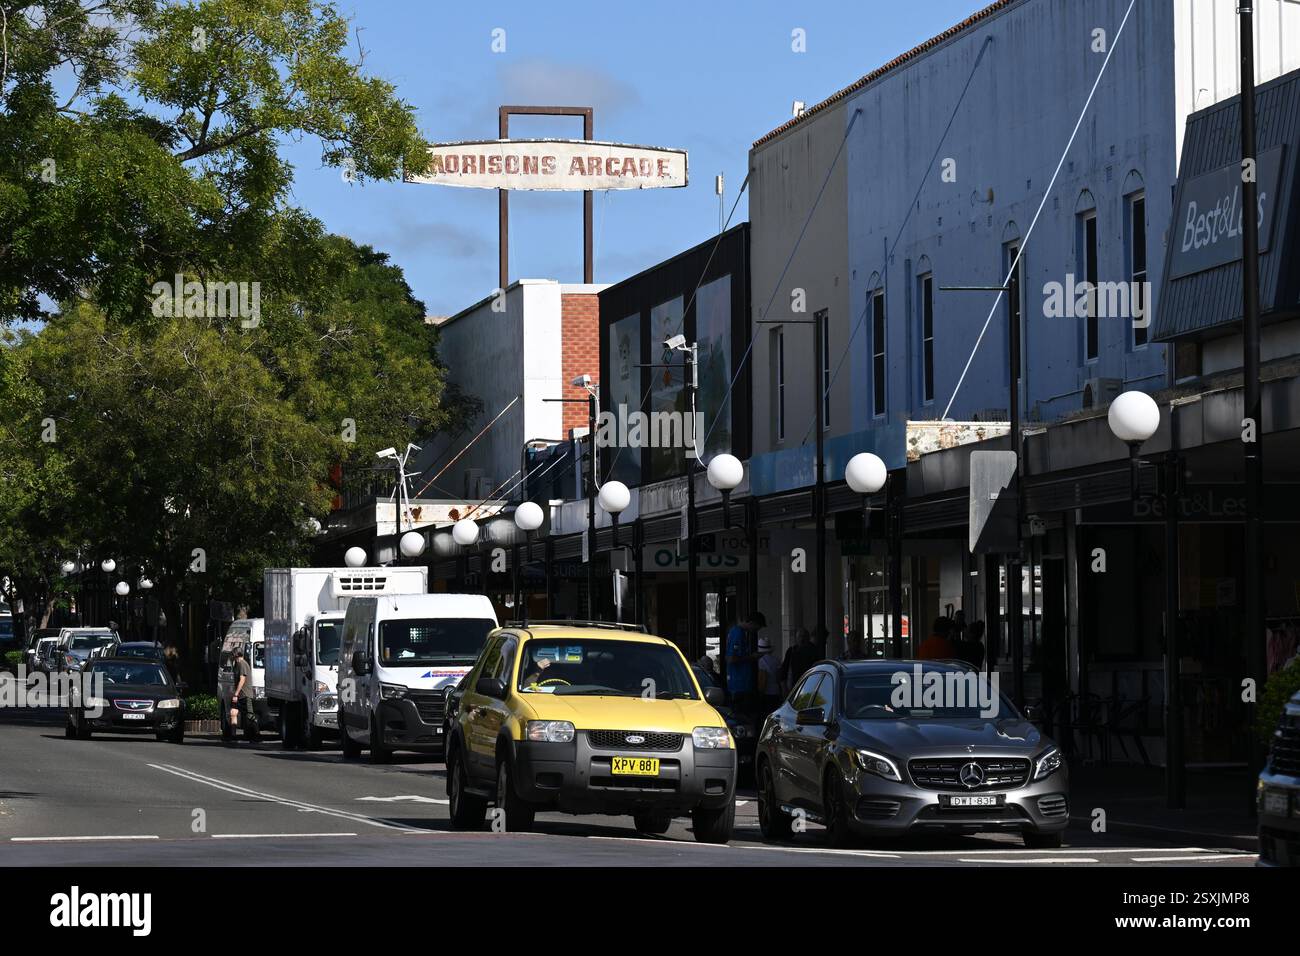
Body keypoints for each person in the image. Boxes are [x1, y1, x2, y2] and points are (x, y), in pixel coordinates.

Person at [725, 611, 763, 716]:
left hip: (741, 684)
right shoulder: (738, 633)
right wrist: (752, 657)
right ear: (752, 623)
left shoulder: (738, 632)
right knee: (743, 717)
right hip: (739, 685)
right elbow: (731, 658)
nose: (756, 631)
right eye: (757, 627)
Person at [228, 647, 254, 741]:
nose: (232, 657)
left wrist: (236, 694)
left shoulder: (242, 664)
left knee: (249, 715)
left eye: (233, 655)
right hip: (239, 695)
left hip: (245, 694)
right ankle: (233, 735)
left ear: (236, 655)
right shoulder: (237, 664)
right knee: (233, 712)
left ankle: (254, 735)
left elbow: (242, 680)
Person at [755, 637, 782, 714]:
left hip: (766, 693)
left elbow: (762, 680)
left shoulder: (761, 661)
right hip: (776, 692)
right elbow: (779, 677)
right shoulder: (777, 660)